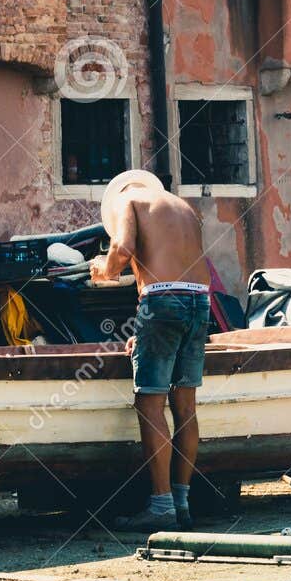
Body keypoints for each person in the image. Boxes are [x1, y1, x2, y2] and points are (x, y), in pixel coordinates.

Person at [90, 170, 216, 532]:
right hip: (199, 301)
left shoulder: (129, 202)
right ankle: (182, 502)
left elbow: (124, 250)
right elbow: (175, 269)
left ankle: (160, 507)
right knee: (185, 405)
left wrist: (105, 270)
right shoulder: (185, 209)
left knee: (150, 403)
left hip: (162, 302)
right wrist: (143, 333)